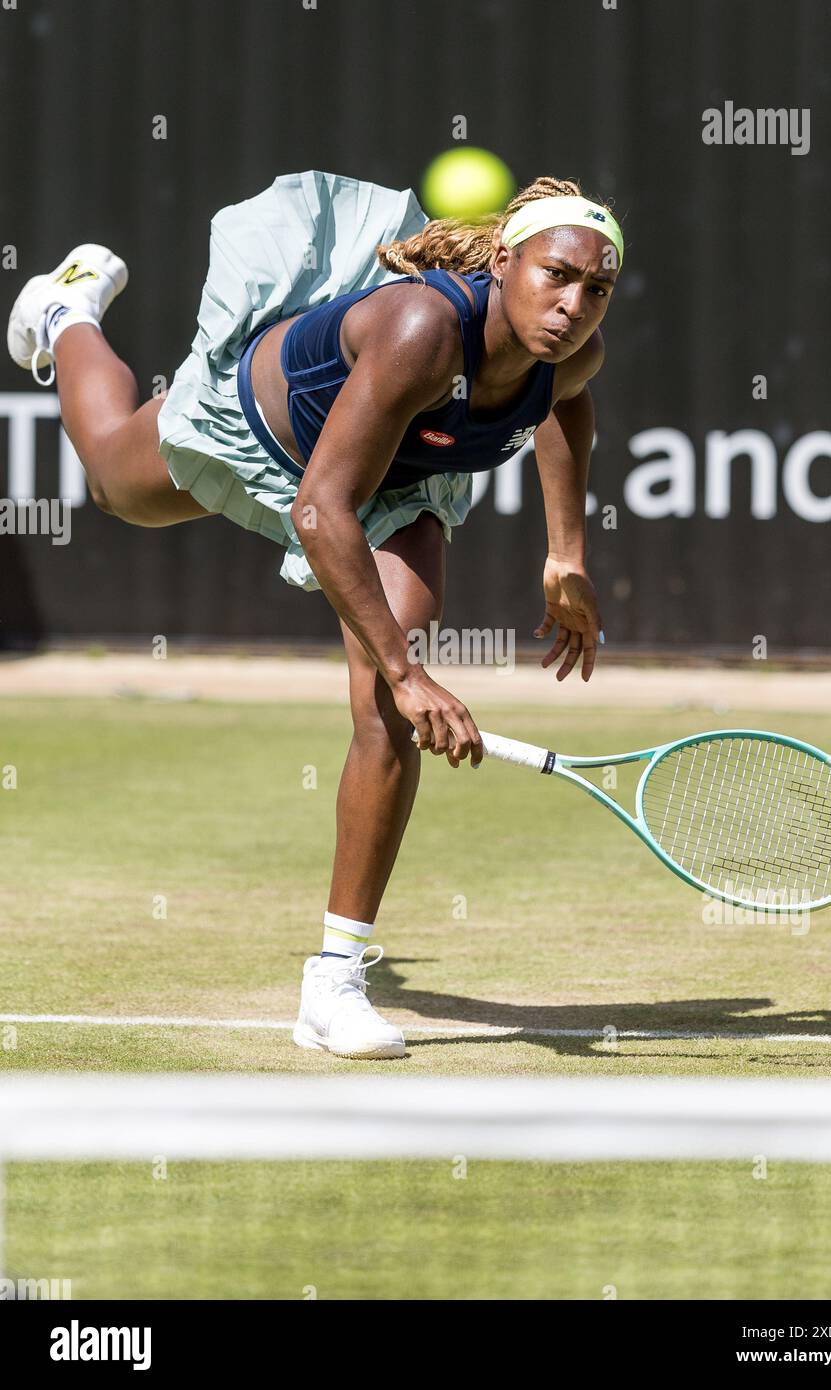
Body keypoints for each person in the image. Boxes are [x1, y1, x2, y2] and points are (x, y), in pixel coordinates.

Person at [7, 169, 623, 1059]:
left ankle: (334, 982)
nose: (571, 305)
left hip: (400, 480)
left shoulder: (573, 354)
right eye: (554, 275)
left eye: (595, 289)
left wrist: (564, 553)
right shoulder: (420, 329)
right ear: (503, 261)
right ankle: (67, 313)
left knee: (382, 711)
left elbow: (565, 406)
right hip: (268, 432)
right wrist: (414, 680)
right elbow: (315, 509)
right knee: (113, 481)